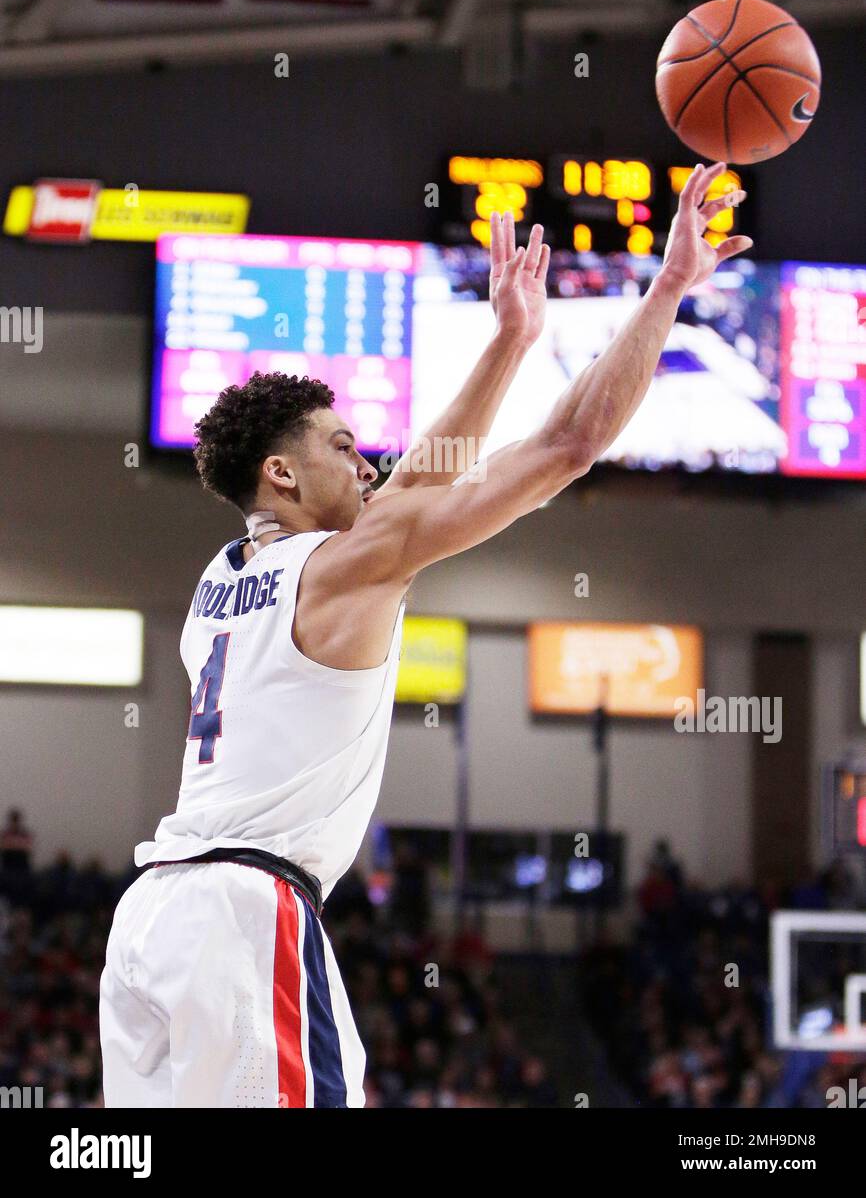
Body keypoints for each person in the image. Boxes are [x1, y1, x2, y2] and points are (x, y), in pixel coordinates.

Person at [100, 163, 749, 1108]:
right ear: (280, 474)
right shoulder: (343, 564)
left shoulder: (226, 576)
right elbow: (568, 445)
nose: (364, 458)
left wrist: (512, 342)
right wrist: (671, 286)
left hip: (151, 923)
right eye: (338, 446)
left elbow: (418, 483)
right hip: (243, 916)